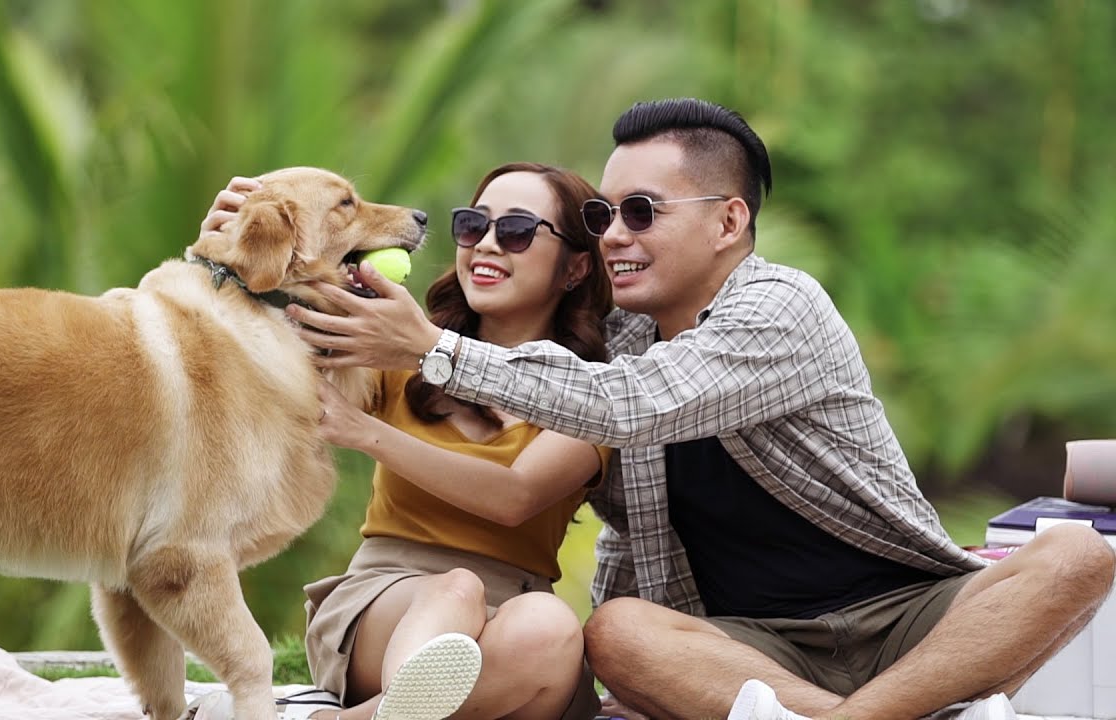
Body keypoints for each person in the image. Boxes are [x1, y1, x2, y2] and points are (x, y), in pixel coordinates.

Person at [283, 98, 1116, 720]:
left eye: (642, 212)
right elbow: (515, 303)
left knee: (1078, 555)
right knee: (615, 631)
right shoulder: (611, 335)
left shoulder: (780, 308)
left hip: (904, 614)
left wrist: (431, 349)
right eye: (606, 215)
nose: (613, 235)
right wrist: (254, 227)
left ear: (729, 220)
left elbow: (631, 405)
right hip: (747, 644)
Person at [197, 163, 613, 720]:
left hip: (514, 620)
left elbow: (514, 496)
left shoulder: (598, 393)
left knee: (552, 624)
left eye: (515, 231)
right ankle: (411, 701)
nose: (487, 245)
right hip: (388, 600)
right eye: (472, 226)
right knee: (457, 589)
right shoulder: (395, 343)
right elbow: (249, 347)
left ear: (575, 267)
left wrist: (366, 432)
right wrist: (225, 252)